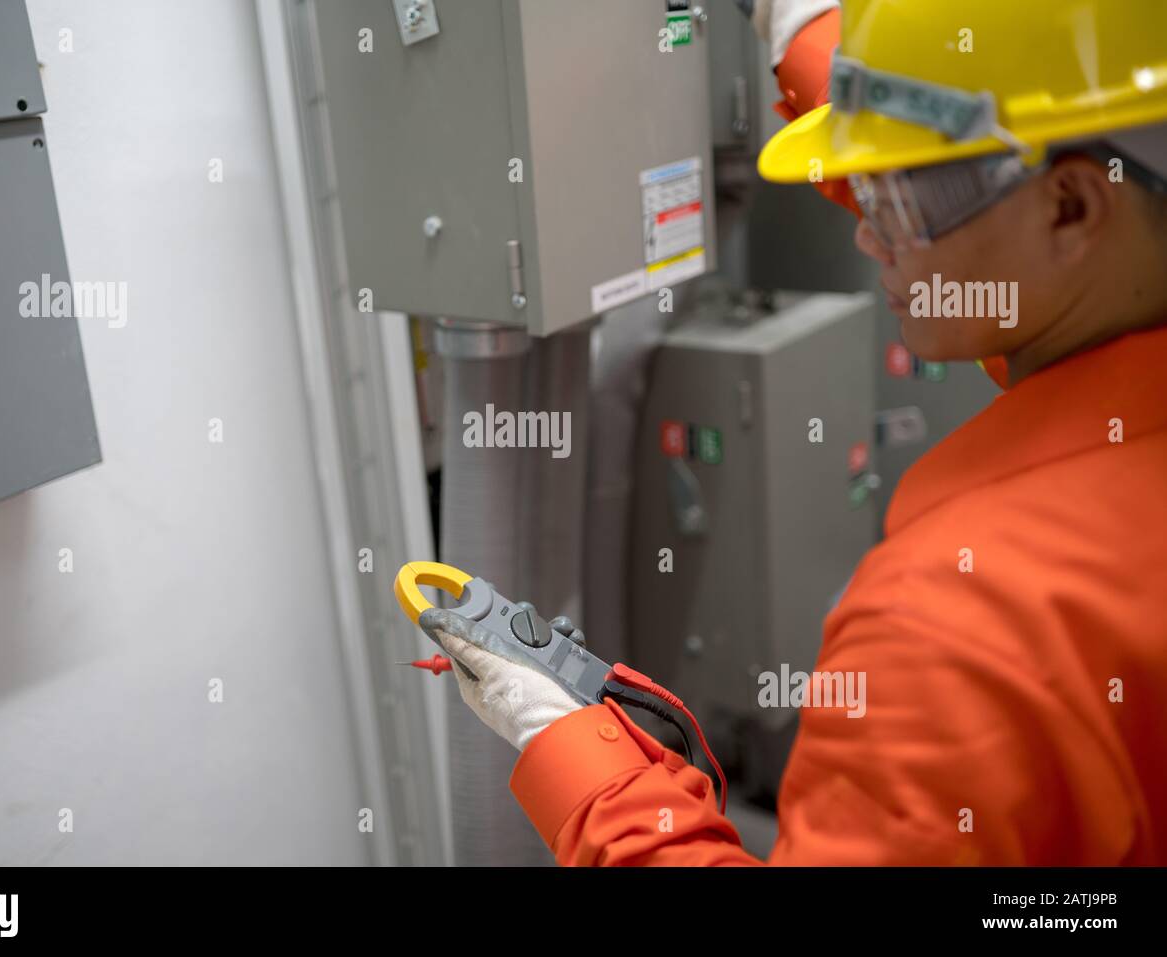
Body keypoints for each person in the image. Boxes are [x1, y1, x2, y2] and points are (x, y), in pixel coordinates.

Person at [421, 0, 1167, 865]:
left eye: (893, 192)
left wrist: (591, 772)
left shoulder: (953, 629)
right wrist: (808, 37)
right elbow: (975, 212)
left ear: (1073, 208)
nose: (862, 227)